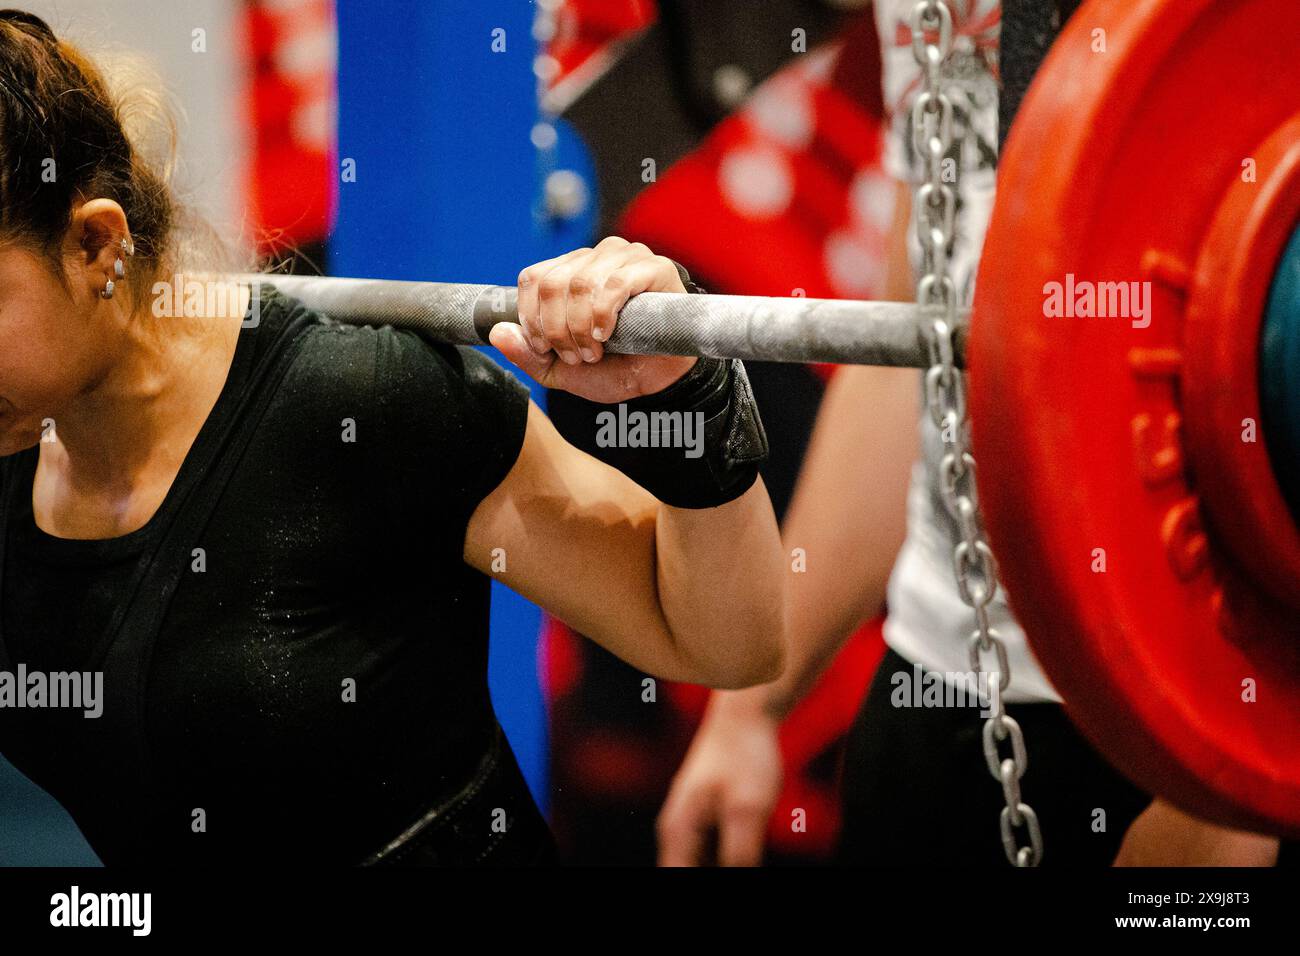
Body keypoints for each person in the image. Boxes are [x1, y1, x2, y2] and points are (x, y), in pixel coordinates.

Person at [0, 9, 785, 865]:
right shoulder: (12, 451)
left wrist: (690, 390)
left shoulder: (359, 404)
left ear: (96, 243)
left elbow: (725, 641)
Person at [658, 0, 1282, 866]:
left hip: (1189, 726)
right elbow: (912, 341)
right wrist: (750, 709)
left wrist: (1222, 786)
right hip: (940, 692)